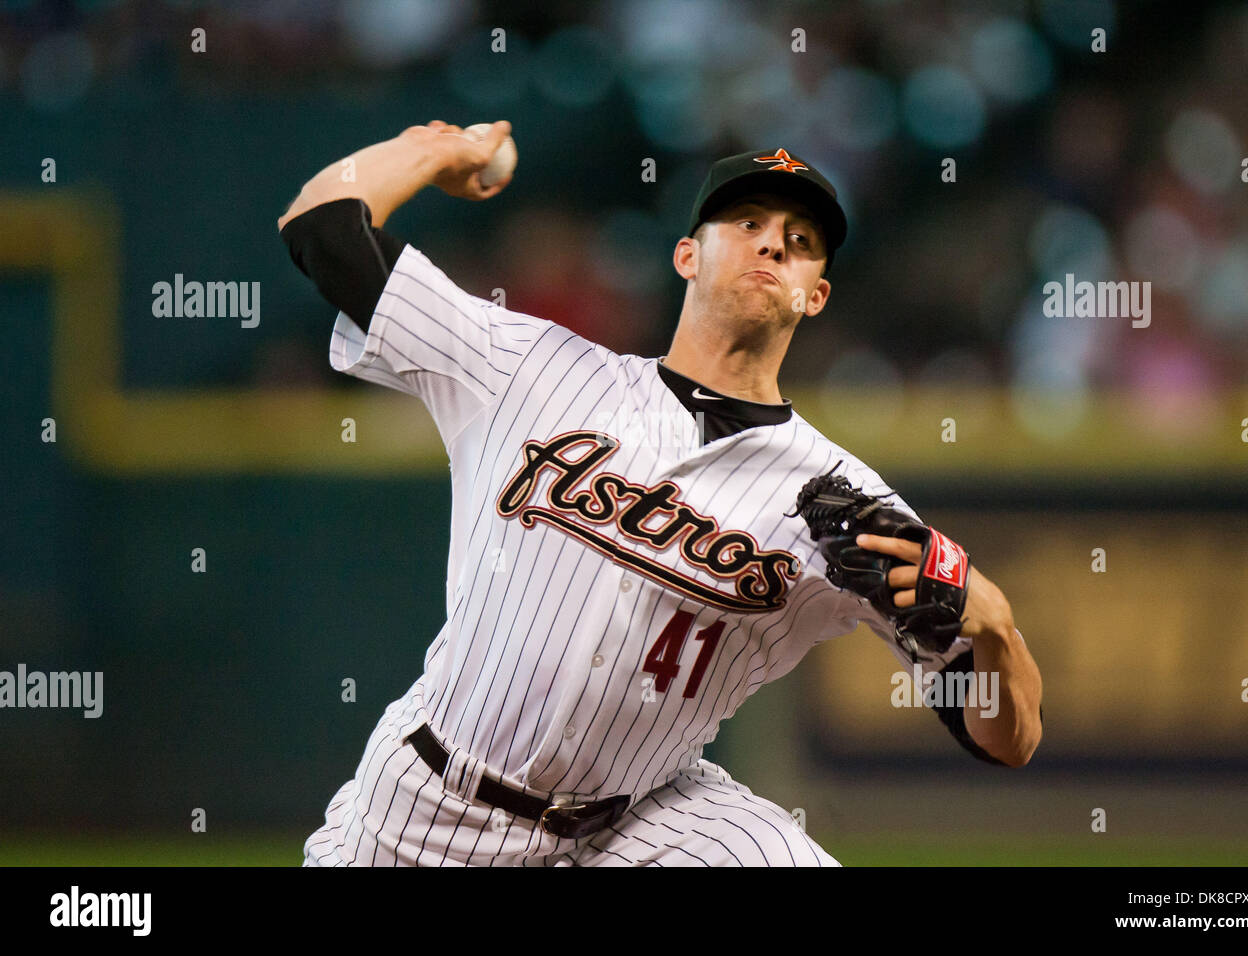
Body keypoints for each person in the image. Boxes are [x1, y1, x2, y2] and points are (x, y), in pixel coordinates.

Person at [277, 120, 1043, 866]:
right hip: (432, 810)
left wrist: (998, 630)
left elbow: (1005, 739)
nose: (775, 242)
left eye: (801, 242)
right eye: (747, 222)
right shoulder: (528, 367)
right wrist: (433, 148)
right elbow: (320, 224)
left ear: (816, 296)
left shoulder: (839, 500)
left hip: (640, 820)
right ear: (686, 255)